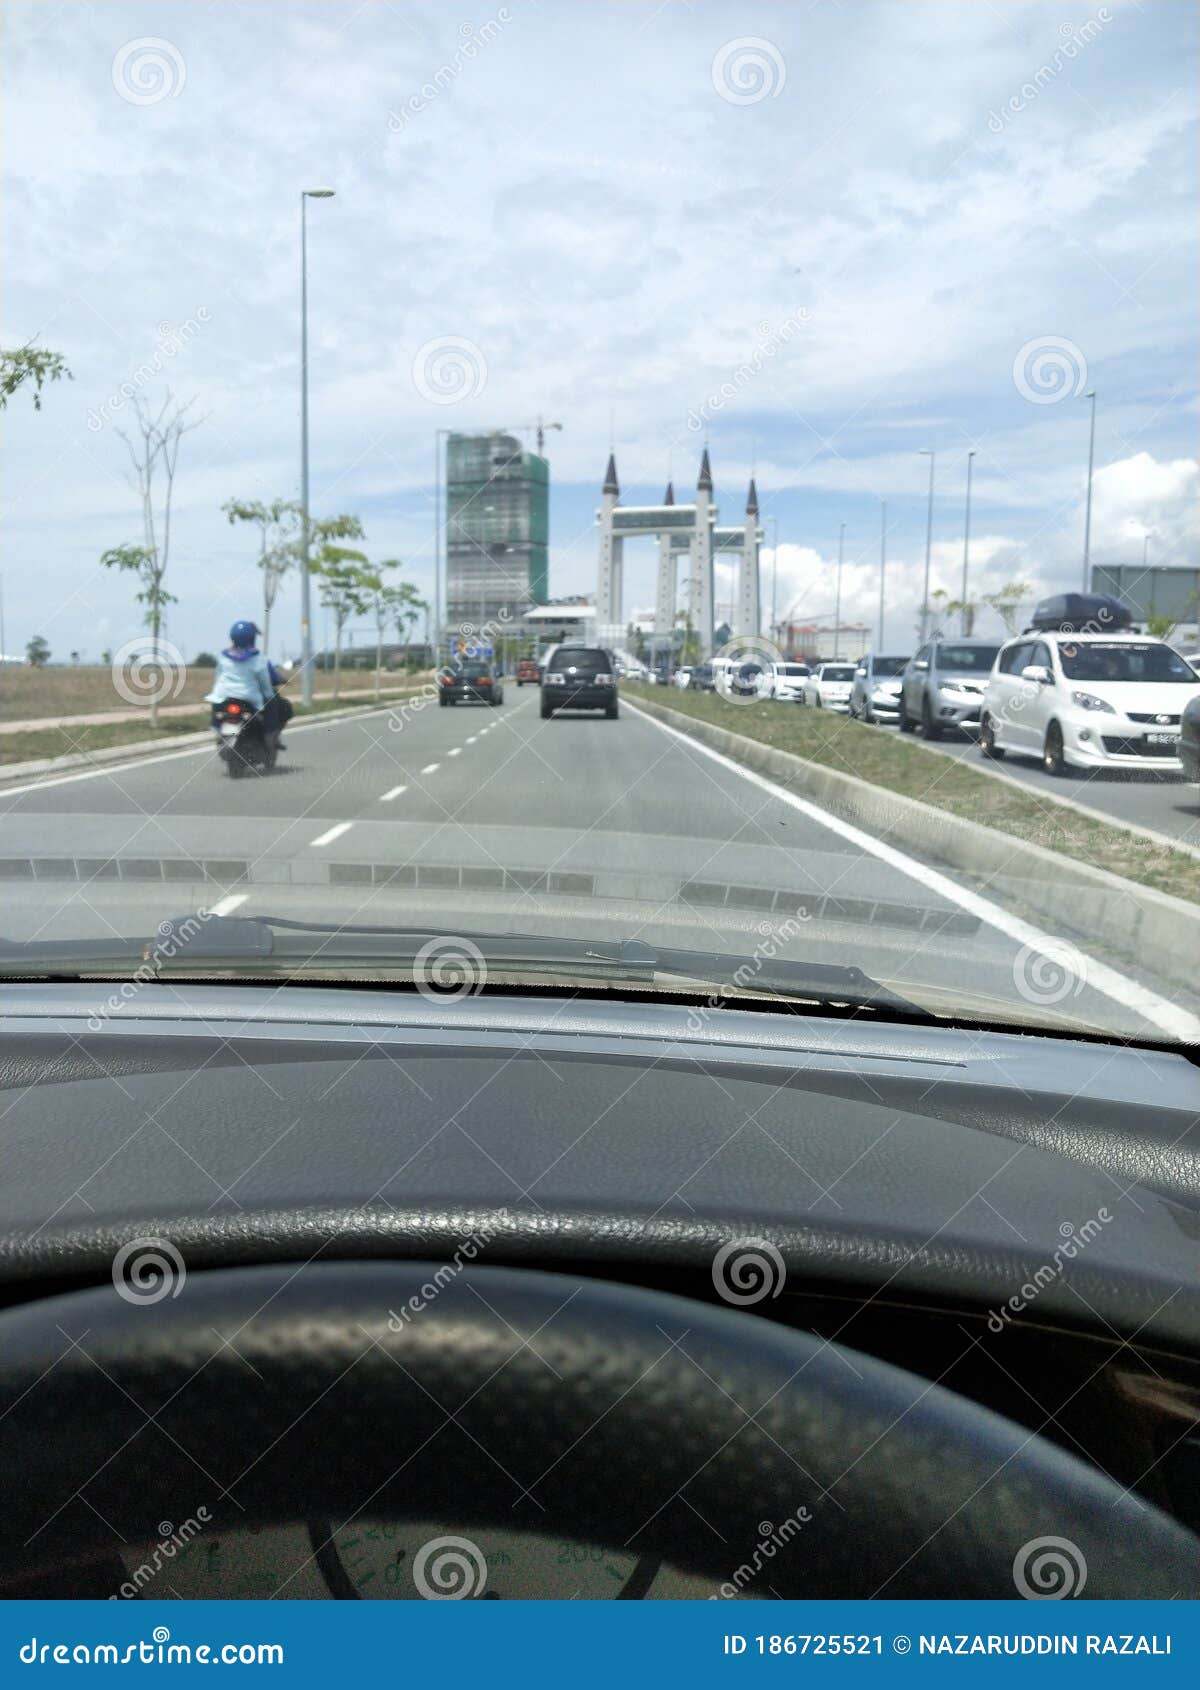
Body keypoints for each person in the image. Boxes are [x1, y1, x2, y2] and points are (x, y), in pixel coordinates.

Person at [205, 621, 284, 750]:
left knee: (216, 708)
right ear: (252, 638)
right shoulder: (258, 659)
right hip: (249, 698)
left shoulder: (223, 657)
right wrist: (269, 695)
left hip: (223, 696)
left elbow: (218, 676)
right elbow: (264, 682)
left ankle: (217, 730)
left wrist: (217, 693)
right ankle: (269, 736)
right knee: (273, 704)